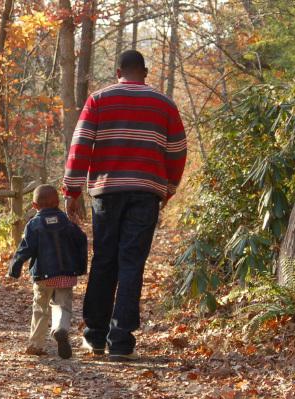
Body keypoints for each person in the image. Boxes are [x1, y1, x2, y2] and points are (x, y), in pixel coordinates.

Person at [63, 50, 187, 361]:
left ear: (118, 71)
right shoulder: (165, 105)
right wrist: (167, 190)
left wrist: (72, 190)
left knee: (105, 259)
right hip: (146, 193)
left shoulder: (100, 99)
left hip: (106, 191)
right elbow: (177, 152)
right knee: (132, 263)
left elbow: (80, 145)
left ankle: (95, 335)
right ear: (145, 72)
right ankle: (122, 341)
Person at [8, 185, 88, 359]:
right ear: (58, 202)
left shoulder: (34, 225)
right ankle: (60, 328)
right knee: (63, 305)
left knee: (40, 308)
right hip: (66, 274)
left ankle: (36, 344)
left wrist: (15, 266)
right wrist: (81, 267)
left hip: (43, 275)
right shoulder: (67, 222)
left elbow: (25, 249)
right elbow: (81, 241)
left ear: (34, 206)